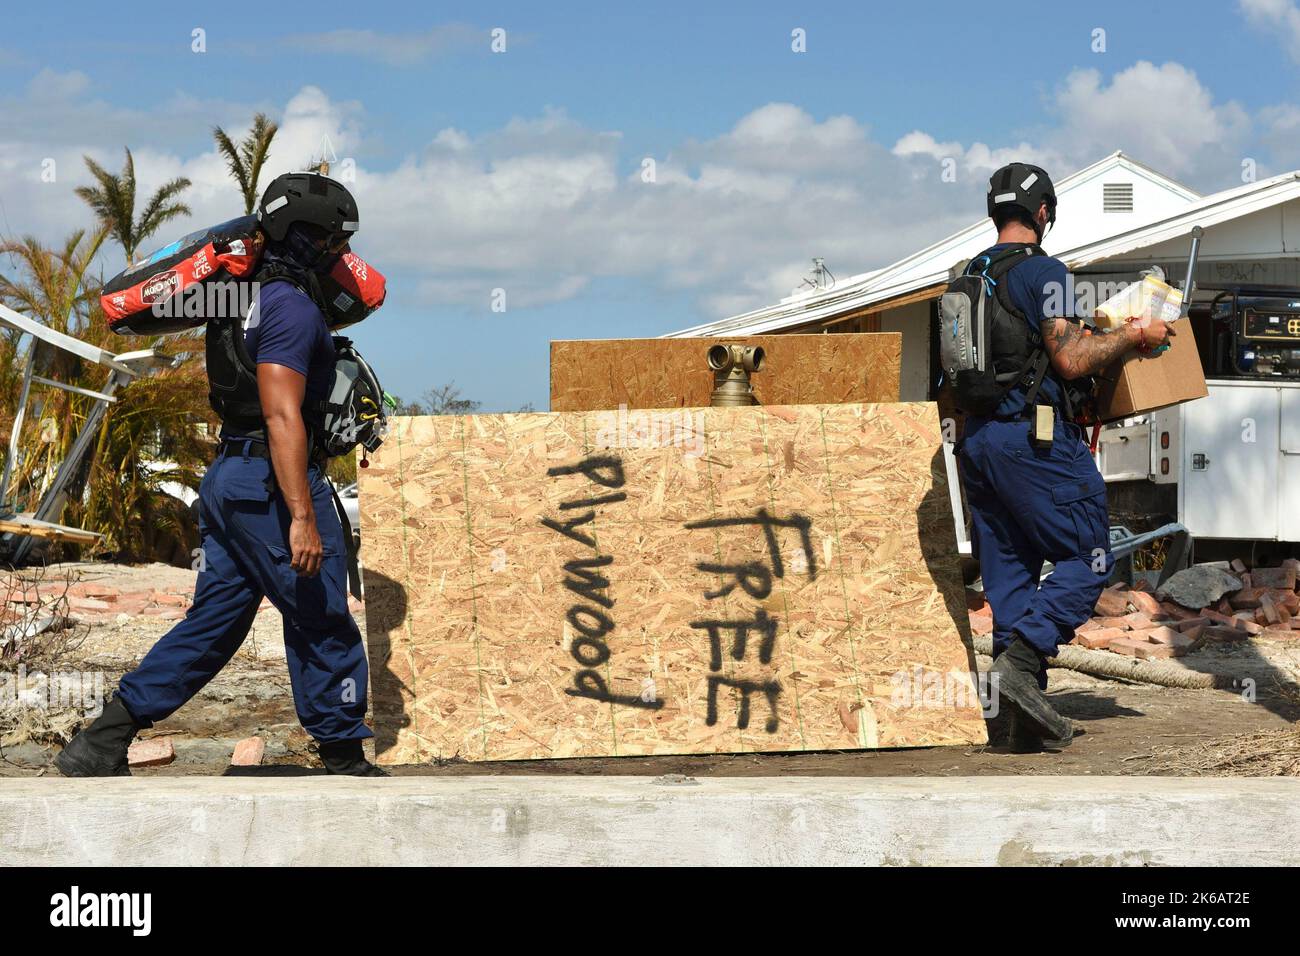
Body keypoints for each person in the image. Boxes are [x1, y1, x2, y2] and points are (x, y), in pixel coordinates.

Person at [57, 172, 385, 777]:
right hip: (272, 486)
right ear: (301, 236)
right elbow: (281, 414)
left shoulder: (235, 297)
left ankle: (102, 739)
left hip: (230, 479)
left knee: (213, 624)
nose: (341, 252)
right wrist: (302, 516)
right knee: (321, 613)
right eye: (333, 240)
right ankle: (345, 756)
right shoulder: (290, 307)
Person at [960, 163, 1173, 752]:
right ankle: (1021, 664)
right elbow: (1072, 359)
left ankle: (1012, 722)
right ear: (1043, 213)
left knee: (1010, 576)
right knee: (1090, 556)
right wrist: (1136, 335)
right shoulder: (1045, 271)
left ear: (995, 211)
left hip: (978, 443)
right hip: (1037, 441)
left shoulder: (969, 276)